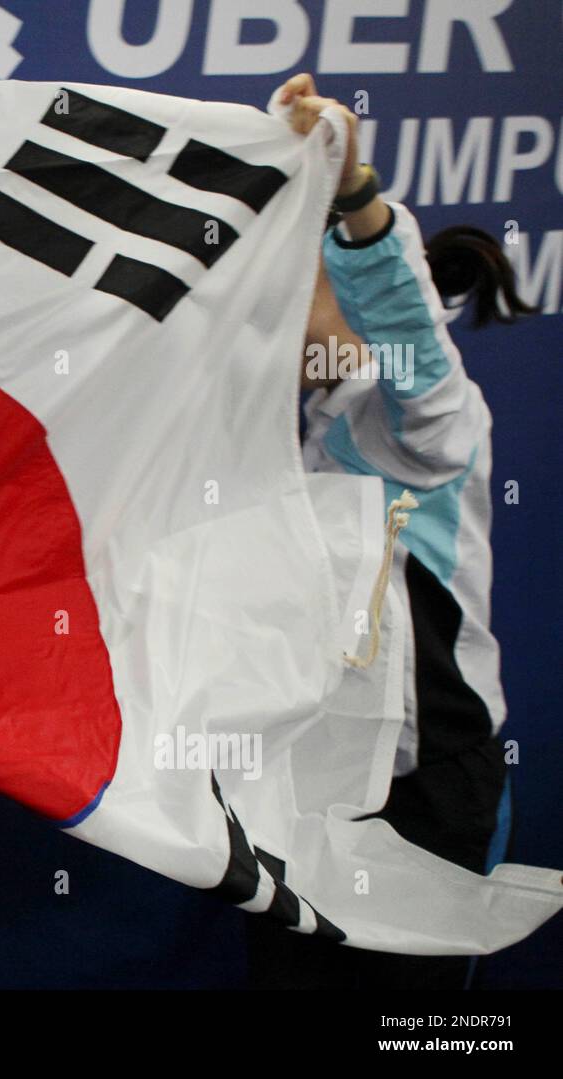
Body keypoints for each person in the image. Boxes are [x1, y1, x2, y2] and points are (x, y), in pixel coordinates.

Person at [246, 74, 537, 989]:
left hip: (434, 789)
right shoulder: (297, 429)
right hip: (314, 788)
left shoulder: (426, 423)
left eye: (295, 290)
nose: (272, 317)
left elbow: (411, 339)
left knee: (419, 1031)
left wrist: (354, 200)